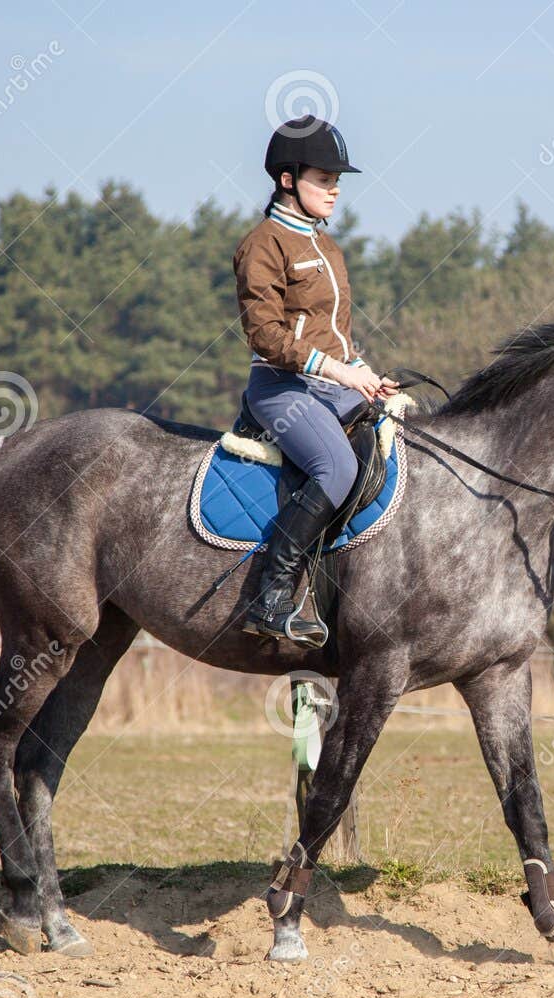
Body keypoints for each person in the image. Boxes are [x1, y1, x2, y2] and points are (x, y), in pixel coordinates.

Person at [232, 114, 396, 646]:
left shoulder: (328, 248)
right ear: (287, 179)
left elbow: (338, 338)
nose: (334, 189)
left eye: (336, 181)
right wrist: (340, 372)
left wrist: (367, 378)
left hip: (333, 386)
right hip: (280, 389)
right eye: (323, 178)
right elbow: (267, 336)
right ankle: (271, 598)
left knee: (396, 441)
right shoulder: (263, 245)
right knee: (336, 465)